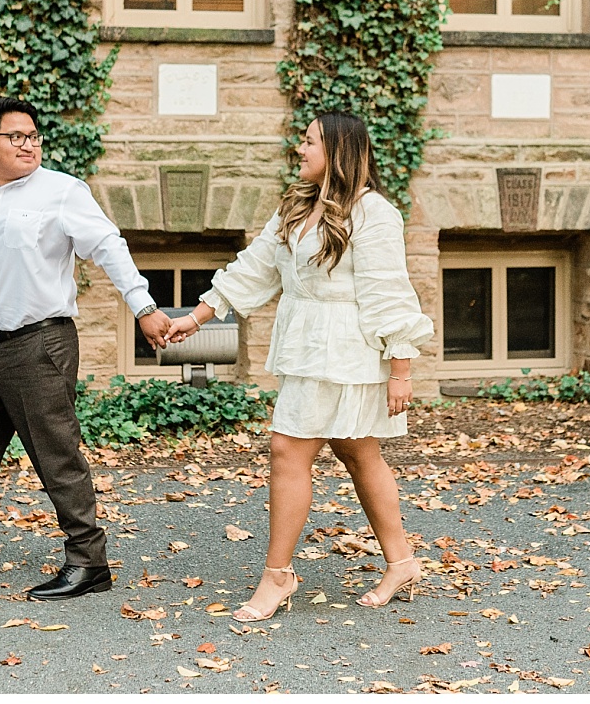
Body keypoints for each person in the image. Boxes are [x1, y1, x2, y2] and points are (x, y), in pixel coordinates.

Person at [0, 96, 174, 600]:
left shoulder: (62, 192)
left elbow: (109, 245)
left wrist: (143, 306)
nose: (28, 145)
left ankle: (89, 562)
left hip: (41, 342)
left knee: (55, 453)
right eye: (16, 136)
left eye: (34, 136)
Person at [163, 112, 433, 619]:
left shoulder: (374, 213)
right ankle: (401, 561)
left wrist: (401, 369)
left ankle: (278, 575)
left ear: (339, 150)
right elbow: (255, 268)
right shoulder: (296, 207)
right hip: (308, 346)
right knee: (360, 454)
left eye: (309, 141)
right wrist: (196, 317)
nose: (300, 149)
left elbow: (390, 294)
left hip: (348, 351)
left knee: (287, 449)